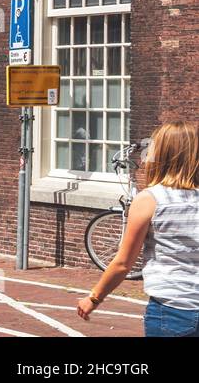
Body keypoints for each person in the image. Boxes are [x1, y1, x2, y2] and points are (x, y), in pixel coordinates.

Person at [78, 122, 199, 336]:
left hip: (172, 311)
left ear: (161, 153)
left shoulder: (151, 199)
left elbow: (124, 263)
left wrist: (94, 297)